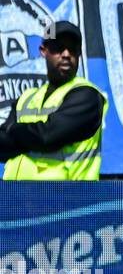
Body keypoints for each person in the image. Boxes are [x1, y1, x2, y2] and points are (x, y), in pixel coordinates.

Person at [0, 22, 108, 181]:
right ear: (43, 51)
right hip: (18, 199)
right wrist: (24, 136)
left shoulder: (88, 96)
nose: (66, 54)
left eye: (73, 49)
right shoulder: (27, 98)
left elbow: (47, 136)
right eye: (58, 47)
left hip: (68, 200)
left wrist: (12, 129)